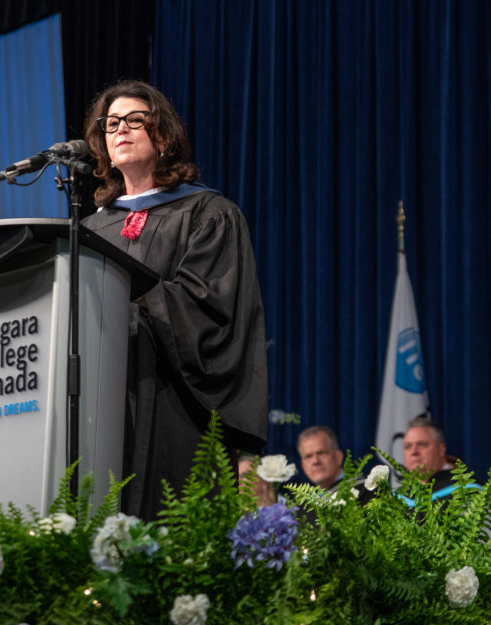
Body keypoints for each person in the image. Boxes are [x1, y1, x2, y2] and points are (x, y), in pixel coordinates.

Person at [82, 80, 268, 519]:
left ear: (162, 135)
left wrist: (139, 292)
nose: (120, 130)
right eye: (110, 125)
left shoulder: (208, 213)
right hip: (103, 401)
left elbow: (213, 310)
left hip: (176, 404)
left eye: (133, 120)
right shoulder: (88, 230)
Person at [397, 416, 481, 505]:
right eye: (408, 446)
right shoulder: (398, 499)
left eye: (422, 444)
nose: (413, 452)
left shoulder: (466, 489)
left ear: (441, 449)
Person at [297, 426, 345, 492]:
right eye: (308, 456)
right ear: (303, 465)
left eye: (321, 453)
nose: (315, 461)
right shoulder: (300, 501)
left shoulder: (362, 491)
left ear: (338, 457)